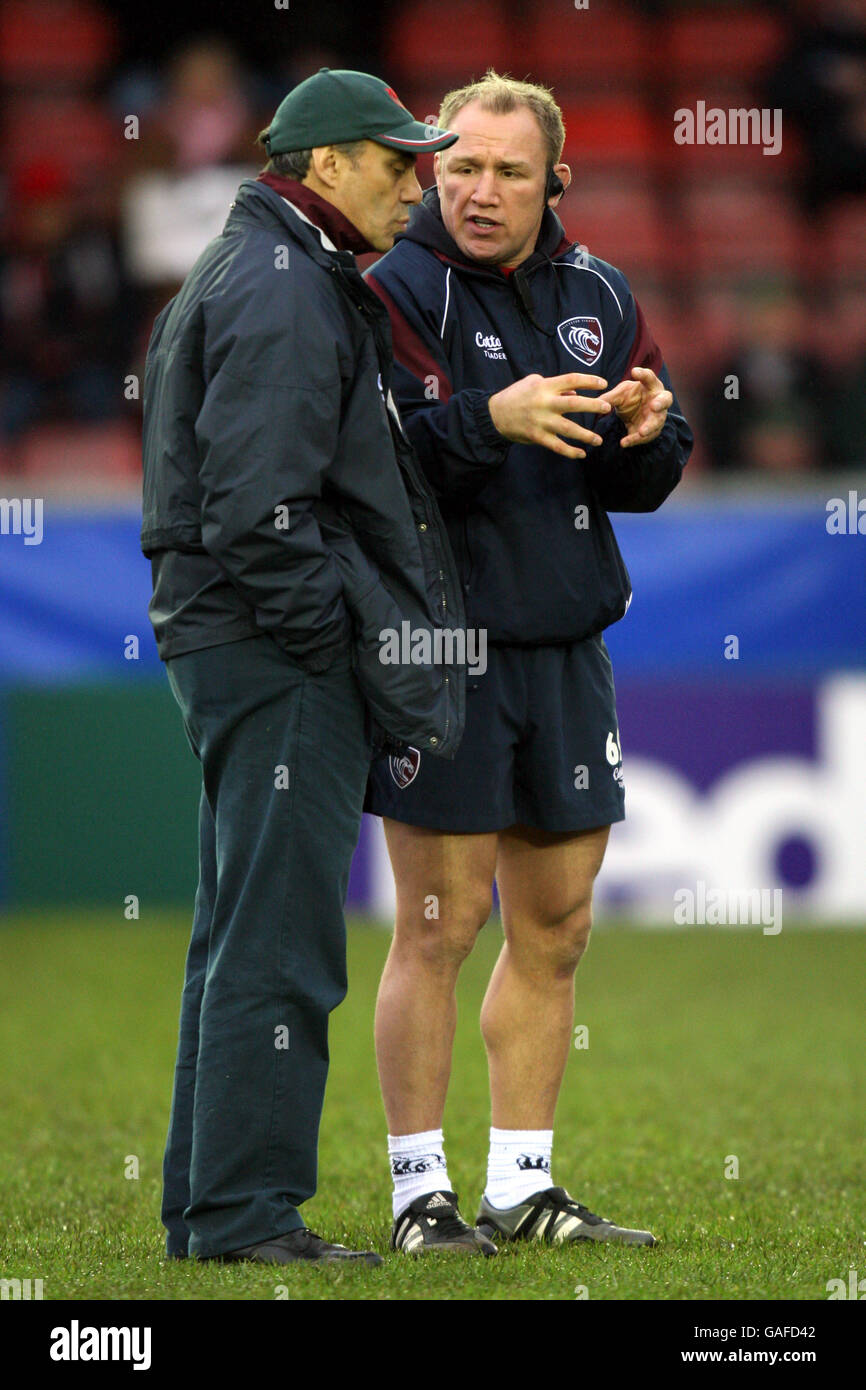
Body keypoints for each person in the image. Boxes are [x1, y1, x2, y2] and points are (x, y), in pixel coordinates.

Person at [364, 70, 694, 1253]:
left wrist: (652, 431)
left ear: (554, 176)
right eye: (457, 166)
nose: (479, 190)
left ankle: (521, 1185)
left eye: (506, 170)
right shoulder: (385, 288)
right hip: (438, 647)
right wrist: (482, 422)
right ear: (428, 170)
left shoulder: (595, 288)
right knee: (438, 928)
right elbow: (368, 463)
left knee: (554, 927)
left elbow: (634, 470)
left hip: (564, 646)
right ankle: (418, 1197)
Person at [140, 68, 465, 1267]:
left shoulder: (265, 268)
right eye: (395, 160)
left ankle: (208, 1207)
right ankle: (240, 1216)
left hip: (238, 640)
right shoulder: (283, 286)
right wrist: (335, 641)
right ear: (323, 166)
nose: (414, 182)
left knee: (240, 931)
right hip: (273, 651)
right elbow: (259, 510)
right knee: (278, 942)